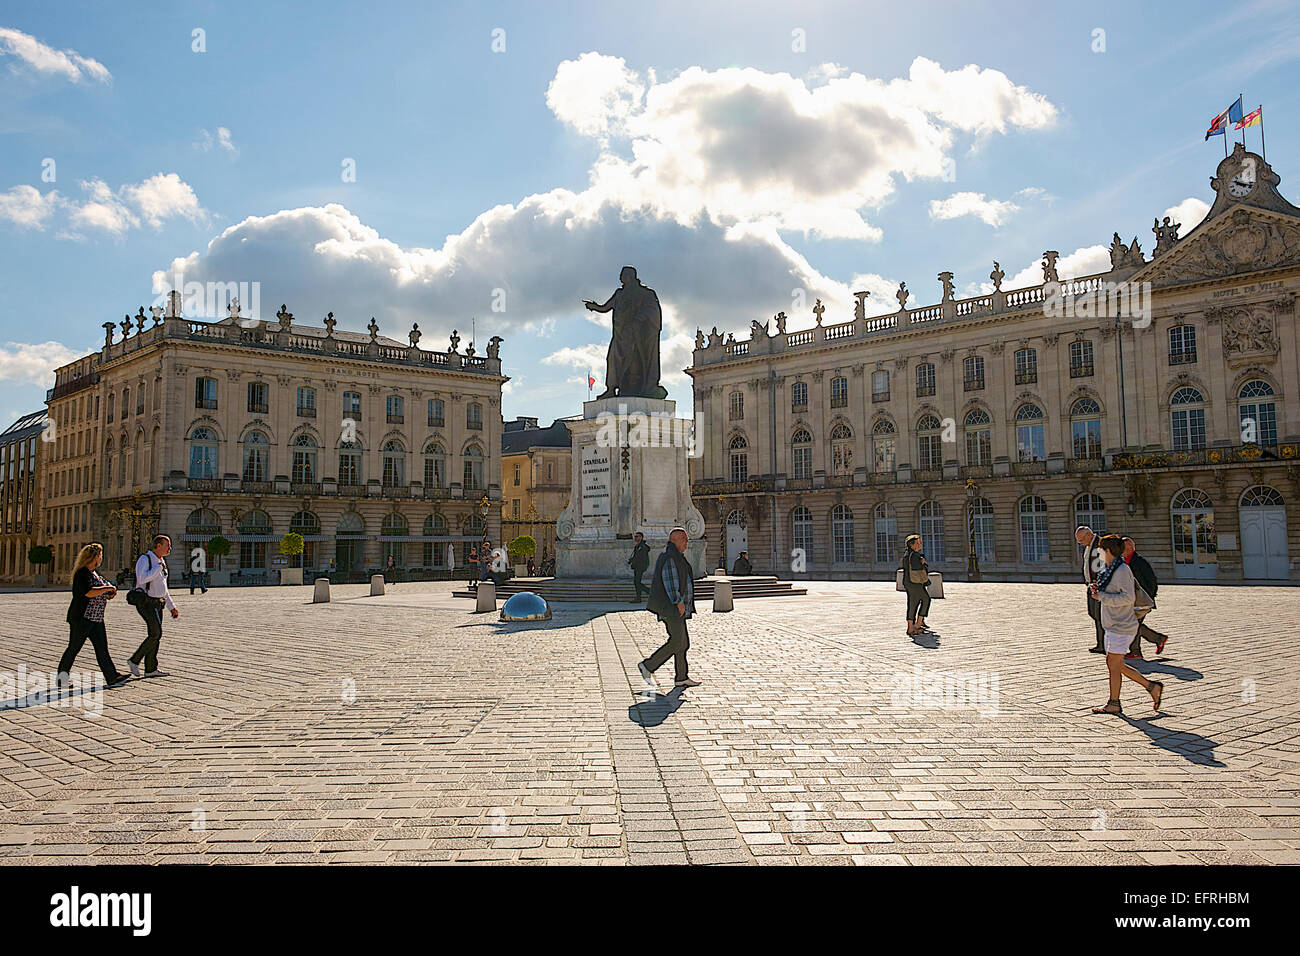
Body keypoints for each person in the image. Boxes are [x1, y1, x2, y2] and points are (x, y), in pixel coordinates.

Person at [1090, 534, 1164, 715]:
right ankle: (1151, 687)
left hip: (1122, 625)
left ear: (1107, 551)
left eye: (1100, 550)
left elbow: (1128, 597)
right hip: (1113, 623)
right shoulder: (1109, 569)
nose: (1098, 553)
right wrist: (1098, 590)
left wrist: (1103, 597)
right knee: (1115, 664)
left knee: (1114, 664)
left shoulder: (1122, 570)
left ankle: (1115, 702)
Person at [58, 543, 129, 689]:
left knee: (102, 648)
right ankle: (61, 679)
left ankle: (112, 676)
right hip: (82, 618)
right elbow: (88, 592)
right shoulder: (82, 573)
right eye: (100, 555)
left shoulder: (94, 573)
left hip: (96, 618)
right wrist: (107, 588)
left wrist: (109, 593)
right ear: (95, 557)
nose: (101, 558)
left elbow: (100, 592)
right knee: (73, 648)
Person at [639, 527, 700, 689]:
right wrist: (678, 602)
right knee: (677, 641)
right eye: (684, 539)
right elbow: (670, 581)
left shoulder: (677, 556)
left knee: (683, 642)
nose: (687, 542)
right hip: (671, 608)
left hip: (677, 608)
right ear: (676, 540)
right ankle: (648, 665)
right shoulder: (670, 557)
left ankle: (681, 677)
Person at [128, 534, 178, 678]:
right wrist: (157, 567)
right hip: (146, 602)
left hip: (158, 603)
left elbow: (164, 587)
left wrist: (171, 606)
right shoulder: (146, 560)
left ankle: (150, 668)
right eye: (167, 545)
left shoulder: (161, 562)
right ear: (158, 545)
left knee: (155, 635)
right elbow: (142, 578)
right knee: (156, 633)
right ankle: (134, 660)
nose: (170, 548)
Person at [1121, 536, 1169, 658]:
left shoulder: (1139, 562)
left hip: (1141, 600)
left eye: (1123, 547)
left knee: (1133, 624)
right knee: (1133, 624)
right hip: (1132, 600)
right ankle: (1158, 639)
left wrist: (1149, 596)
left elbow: (1151, 581)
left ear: (1131, 548)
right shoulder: (1124, 561)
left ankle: (1136, 651)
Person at [1075, 525, 1107, 654]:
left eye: (1081, 540)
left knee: (1099, 615)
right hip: (1090, 585)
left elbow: (1100, 567)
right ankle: (1101, 642)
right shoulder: (1089, 546)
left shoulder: (1098, 546)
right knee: (1093, 613)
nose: (1080, 543)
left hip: (1097, 586)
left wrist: (1097, 582)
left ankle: (1102, 644)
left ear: (1089, 535)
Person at [901, 534, 931, 636]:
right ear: (912, 545)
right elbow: (918, 568)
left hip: (908, 582)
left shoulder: (907, 554)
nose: (920, 544)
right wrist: (923, 562)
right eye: (918, 543)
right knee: (926, 599)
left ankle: (910, 627)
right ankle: (918, 624)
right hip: (915, 582)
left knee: (912, 603)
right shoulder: (914, 555)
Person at [628, 531, 650, 603]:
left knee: (637, 582)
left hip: (640, 566)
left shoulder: (642, 547)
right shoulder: (637, 546)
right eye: (635, 536)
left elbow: (641, 557)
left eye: (637, 536)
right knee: (637, 582)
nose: (635, 538)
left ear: (641, 537)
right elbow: (636, 556)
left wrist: (633, 560)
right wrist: (631, 560)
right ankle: (638, 598)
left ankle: (649, 592)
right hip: (637, 566)